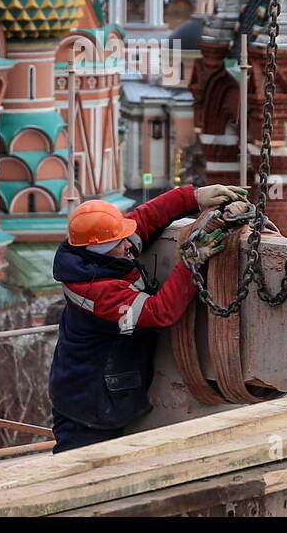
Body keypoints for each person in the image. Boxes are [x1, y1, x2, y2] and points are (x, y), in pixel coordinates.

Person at [47, 183, 248, 453]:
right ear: (104, 250)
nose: (130, 245)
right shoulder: (97, 292)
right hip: (89, 403)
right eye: (121, 242)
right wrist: (190, 265)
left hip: (81, 390)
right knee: (82, 474)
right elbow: (159, 312)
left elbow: (145, 217)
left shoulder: (96, 250)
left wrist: (192, 197)